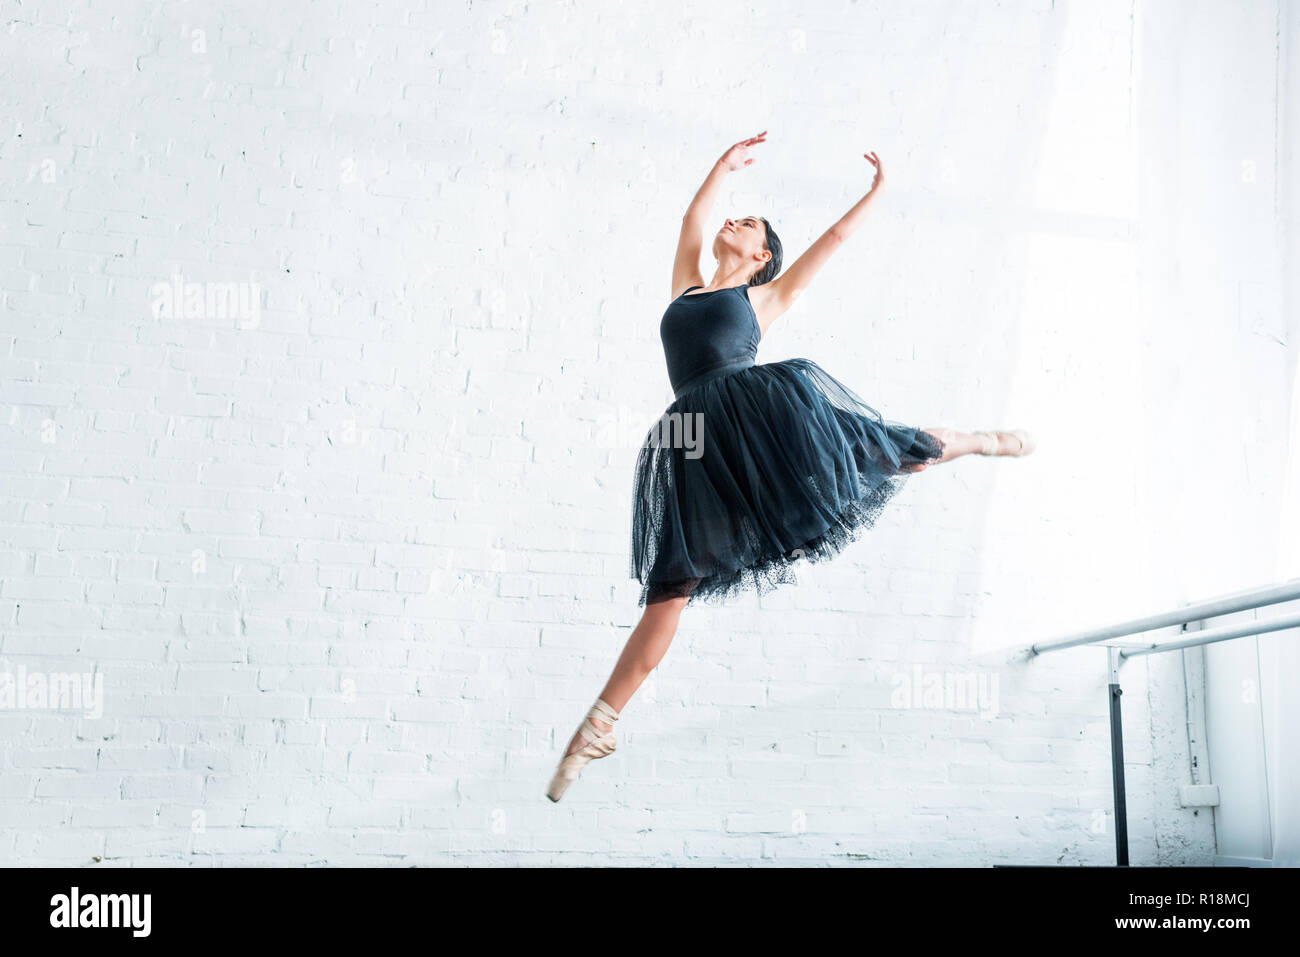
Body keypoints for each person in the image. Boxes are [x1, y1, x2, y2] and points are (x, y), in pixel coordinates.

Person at [546, 130, 1035, 802]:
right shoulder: (685, 290)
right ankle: (600, 724)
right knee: (669, 588)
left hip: (757, 417)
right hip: (691, 435)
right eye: (735, 213)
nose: (732, 220)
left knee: (891, 445)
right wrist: (720, 166)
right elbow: (691, 221)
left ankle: (978, 440)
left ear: (762, 256)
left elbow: (830, 244)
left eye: (748, 223)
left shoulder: (762, 300)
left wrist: (878, 193)